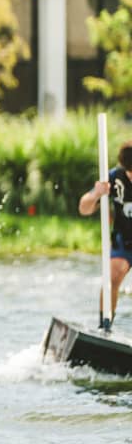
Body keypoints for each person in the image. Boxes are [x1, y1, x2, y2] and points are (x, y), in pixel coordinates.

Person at [77, 141, 132, 332]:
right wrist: (96, 195)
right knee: (113, 275)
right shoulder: (113, 178)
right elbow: (84, 208)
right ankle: (105, 325)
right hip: (124, 242)